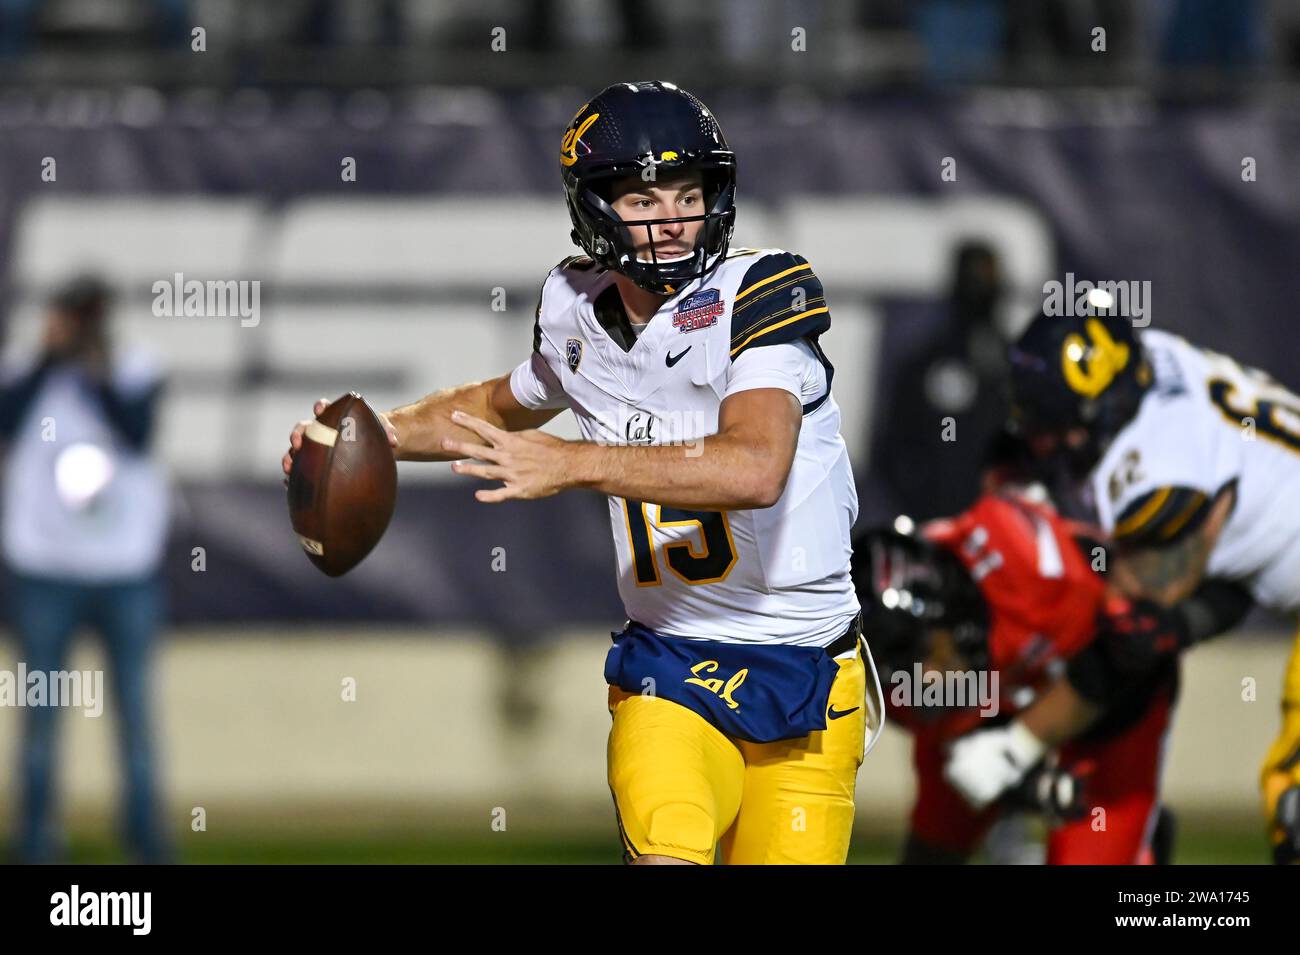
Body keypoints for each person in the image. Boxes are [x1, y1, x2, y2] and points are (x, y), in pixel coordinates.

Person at [284, 81, 882, 865]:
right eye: (642, 197)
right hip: (672, 663)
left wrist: (573, 462)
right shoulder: (575, 307)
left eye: (688, 191)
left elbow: (756, 466)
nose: (671, 217)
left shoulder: (759, 293)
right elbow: (502, 403)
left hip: (807, 670)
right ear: (595, 207)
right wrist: (378, 435)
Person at [943, 308, 1299, 864]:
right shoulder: (1142, 364)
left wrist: (1017, 746)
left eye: (1060, 428)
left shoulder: (1160, 472)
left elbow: (1136, 641)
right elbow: (1224, 589)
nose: (1047, 444)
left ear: (1102, 407)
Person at [854, 492, 1181, 864]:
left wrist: (1024, 744)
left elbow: (1137, 645)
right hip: (998, 700)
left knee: (1090, 846)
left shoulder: (1032, 570)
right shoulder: (900, 685)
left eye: (919, 652)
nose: (923, 680)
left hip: (1109, 698)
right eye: (900, 671)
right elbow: (966, 759)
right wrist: (1032, 786)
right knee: (933, 847)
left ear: (945, 599)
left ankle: (1143, 849)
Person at [0, 274, 171, 863]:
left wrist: (95, 371)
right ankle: (36, 841)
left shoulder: (133, 369)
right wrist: (51, 360)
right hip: (46, 568)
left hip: (123, 570)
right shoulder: (26, 371)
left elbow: (136, 432)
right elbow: (7, 421)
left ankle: (147, 842)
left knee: (133, 711)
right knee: (42, 714)